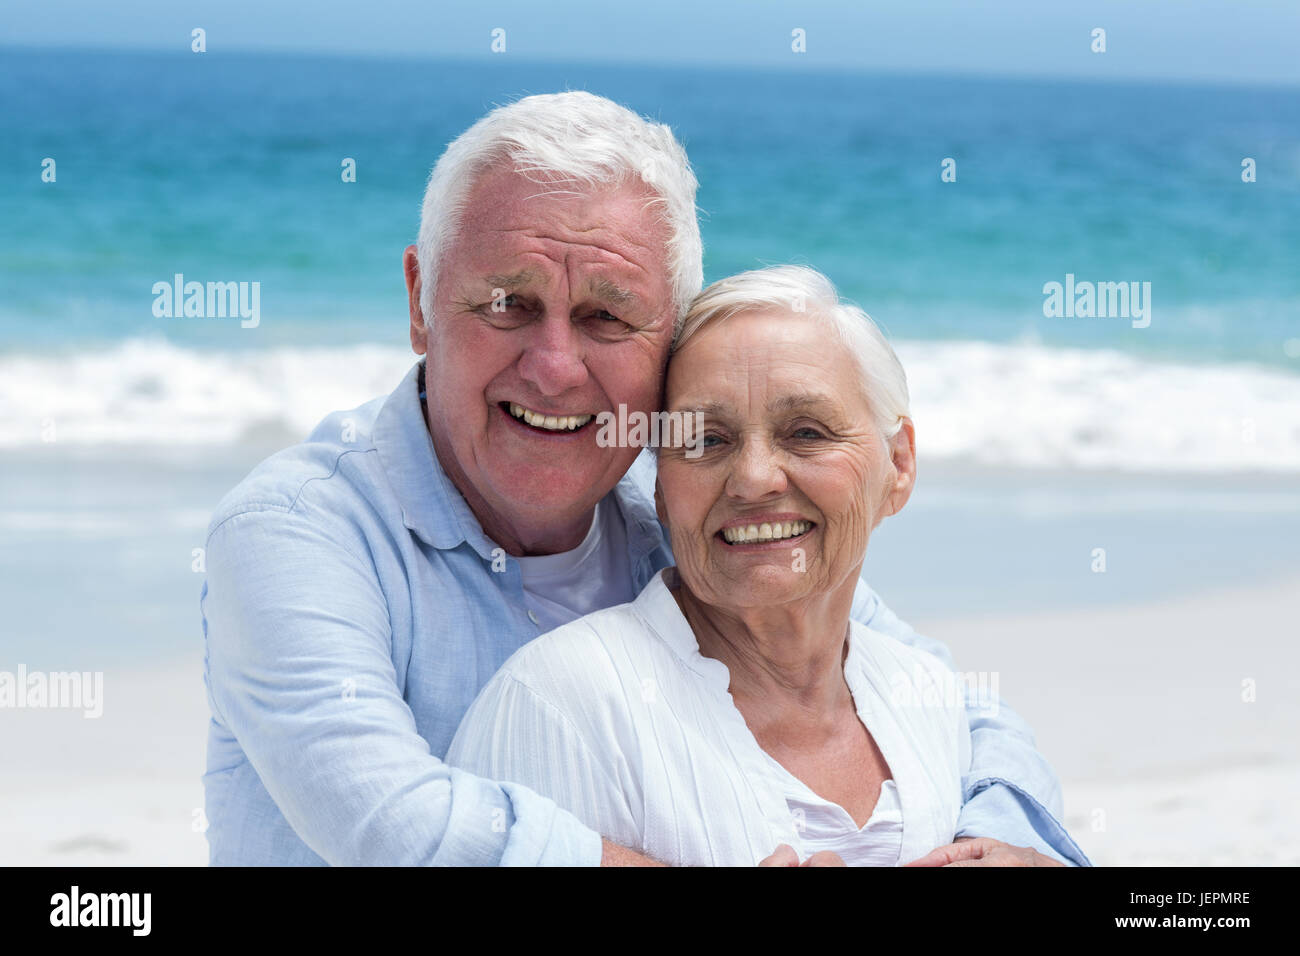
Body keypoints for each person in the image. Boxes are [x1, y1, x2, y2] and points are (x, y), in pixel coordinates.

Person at [200, 91, 1089, 866]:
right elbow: (393, 826)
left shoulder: (681, 505)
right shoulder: (297, 531)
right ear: (419, 302)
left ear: (669, 348)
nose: (552, 367)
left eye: (605, 316)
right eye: (507, 304)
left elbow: (927, 689)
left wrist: (1018, 843)